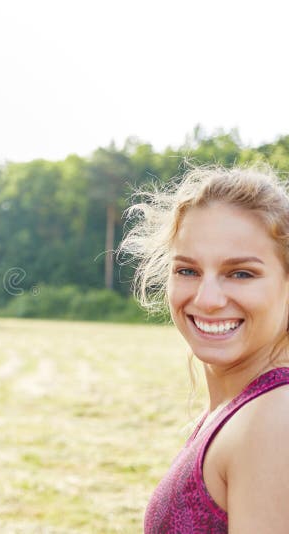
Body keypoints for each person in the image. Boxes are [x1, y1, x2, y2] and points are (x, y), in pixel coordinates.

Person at [120, 165, 289, 532]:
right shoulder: (241, 407)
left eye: (241, 273)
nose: (207, 299)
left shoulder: (274, 420)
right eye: (188, 271)